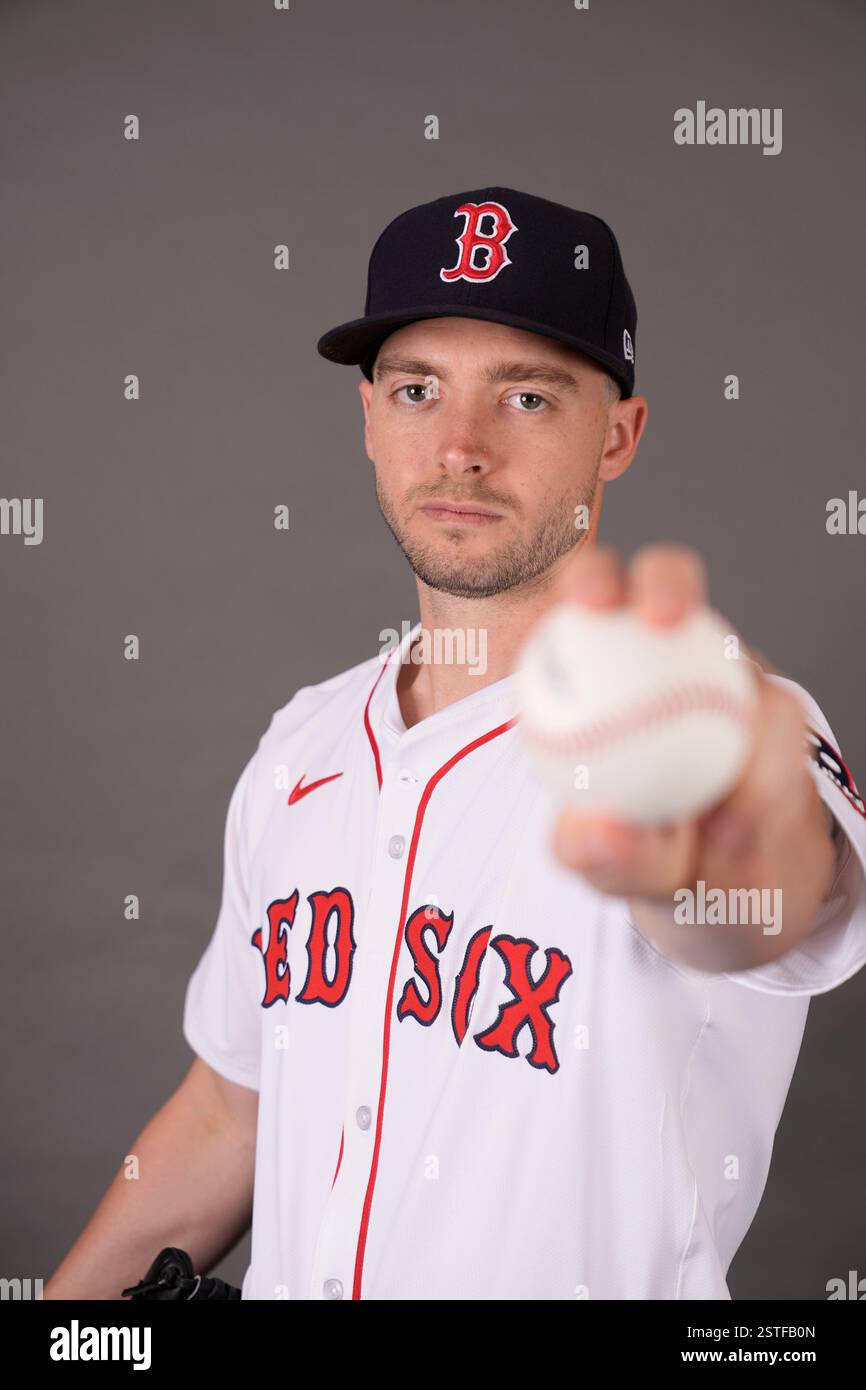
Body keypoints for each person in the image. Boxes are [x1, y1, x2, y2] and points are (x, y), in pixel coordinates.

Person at [45, 186, 866, 1301]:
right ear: (368, 418)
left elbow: (769, 890)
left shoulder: (699, 723)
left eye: (527, 396)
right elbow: (227, 1103)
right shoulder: (302, 745)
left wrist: (722, 847)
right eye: (417, 390)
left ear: (616, 435)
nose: (460, 449)